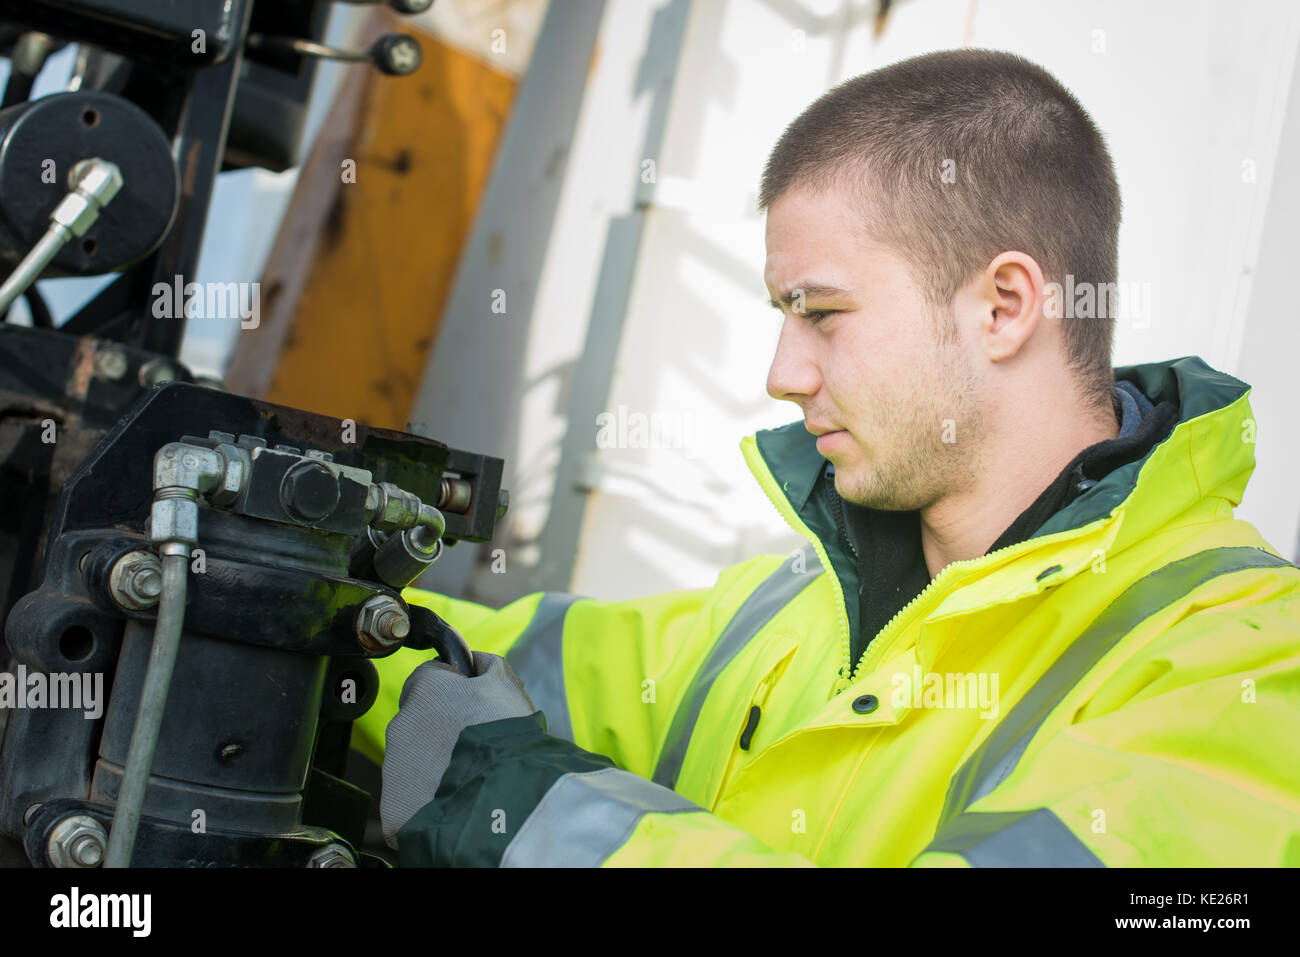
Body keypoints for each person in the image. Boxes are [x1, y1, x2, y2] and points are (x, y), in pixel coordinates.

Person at [352, 48, 1300, 867]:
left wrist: (524, 816)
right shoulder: (785, 612)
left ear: (1005, 306)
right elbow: (474, 667)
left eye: (822, 313)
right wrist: (313, 607)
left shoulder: (1242, 666)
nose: (781, 374)